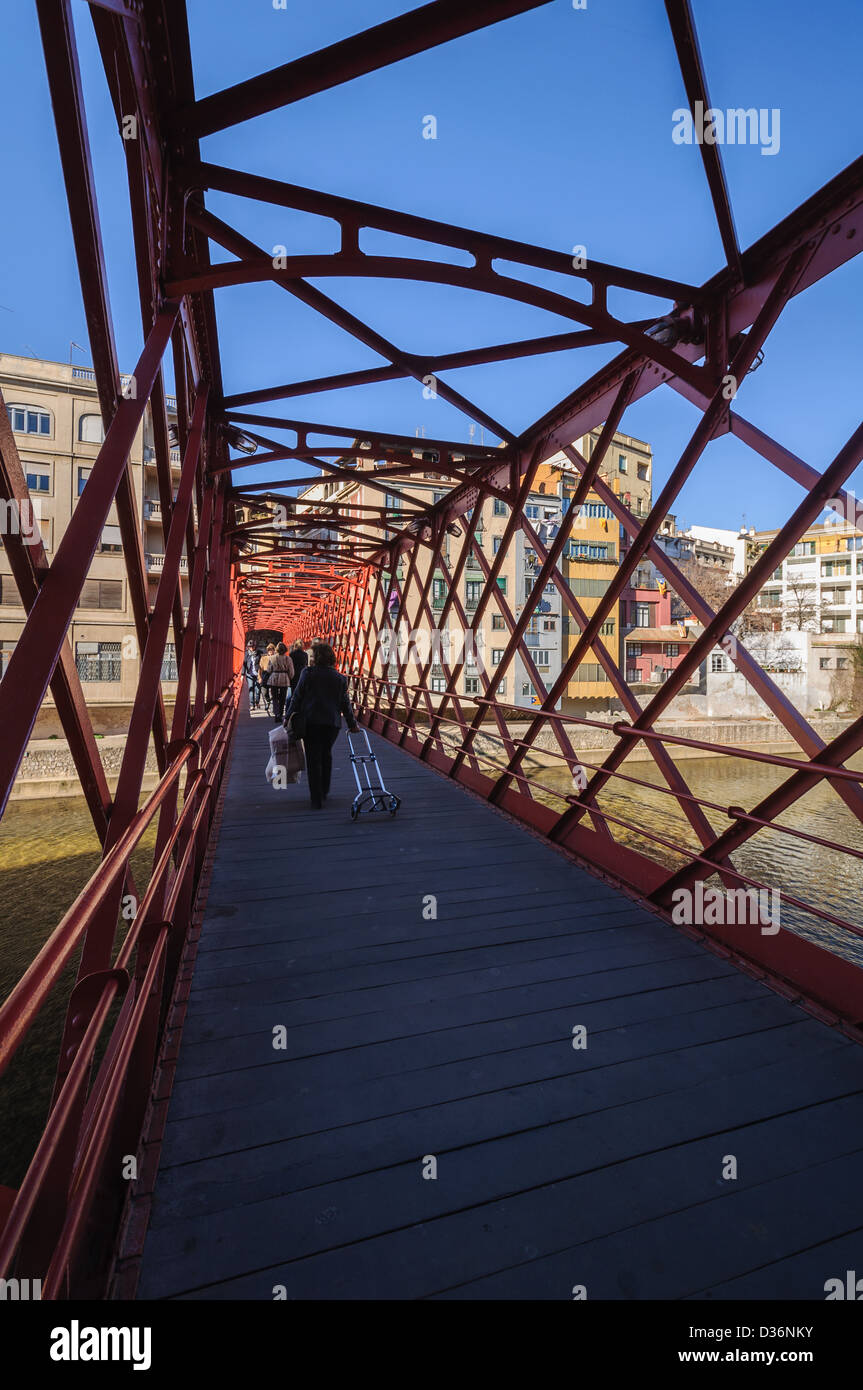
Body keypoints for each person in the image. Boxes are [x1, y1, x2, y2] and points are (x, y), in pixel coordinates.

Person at [284, 641, 358, 810]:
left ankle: (316, 798)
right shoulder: (340, 678)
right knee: (326, 754)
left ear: (315, 658)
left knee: (313, 758)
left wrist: (287, 716)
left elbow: (297, 697)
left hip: (311, 722)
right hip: (332, 724)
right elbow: (345, 703)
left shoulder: (307, 673)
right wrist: (352, 724)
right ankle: (324, 790)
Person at [267, 642, 295, 722]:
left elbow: (269, 670)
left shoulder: (272, 658)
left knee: (275, 697)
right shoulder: (288, 659)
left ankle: (276, 714)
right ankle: (280, 713)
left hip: (274, 678)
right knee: (283, 698)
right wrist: (288, 677)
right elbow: (291, 672)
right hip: (284, 678)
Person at [258, 643, 276, 713]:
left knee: (273, 692)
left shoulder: (276, 658)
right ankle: (268, 701)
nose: (270, 652)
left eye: (272, 650)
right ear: (267, 651)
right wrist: (259, 677)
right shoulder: (263, 658)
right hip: (265, 676)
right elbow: (260, 669)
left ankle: (272, 706)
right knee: (264, 691)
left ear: (274, 650)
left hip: (273, 676)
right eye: (269, 650)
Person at [243, 642, 261, 710]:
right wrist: (242, 674)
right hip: (249, 674)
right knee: (251, 689)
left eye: (252, 646)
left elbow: (261, 664)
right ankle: (252, 705)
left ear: (255, 646)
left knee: (258, 690)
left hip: (257, 675)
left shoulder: (259, 653)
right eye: (249, 647)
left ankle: (257, 702)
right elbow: (244, 663)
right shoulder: (247, 653)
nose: (251, 648)